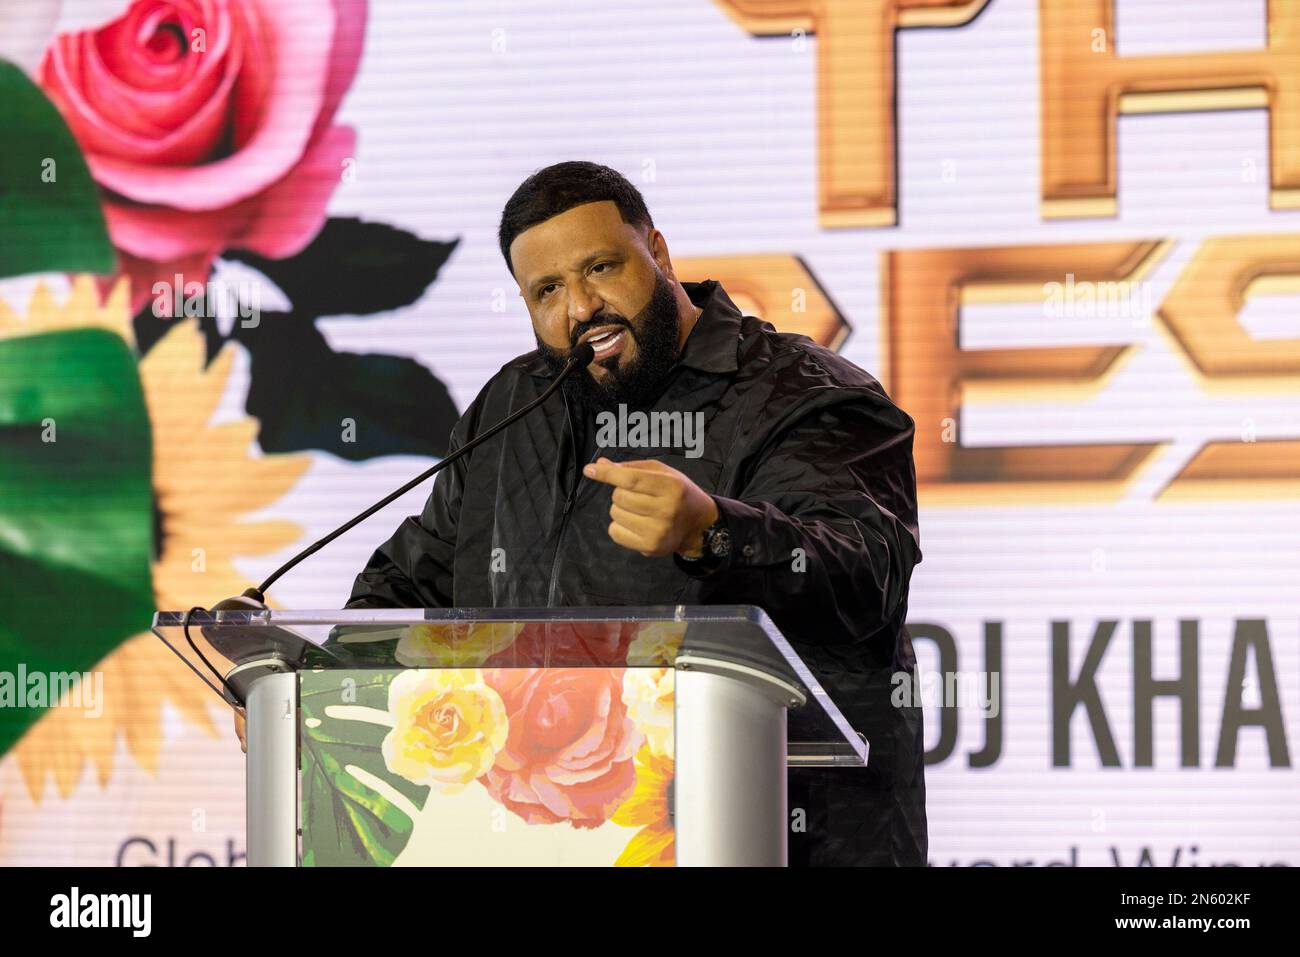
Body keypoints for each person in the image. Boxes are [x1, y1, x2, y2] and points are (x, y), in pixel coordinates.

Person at [244, 160, 928, 865]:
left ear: (656, 253)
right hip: (541, 841)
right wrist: (317, 694)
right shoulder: (514, 405)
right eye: (546, 290)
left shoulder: (806, 394)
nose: (579, 308)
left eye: (600, 268)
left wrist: (714, 531)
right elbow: (418, 581)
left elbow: (866, 574)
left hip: (790, 836)